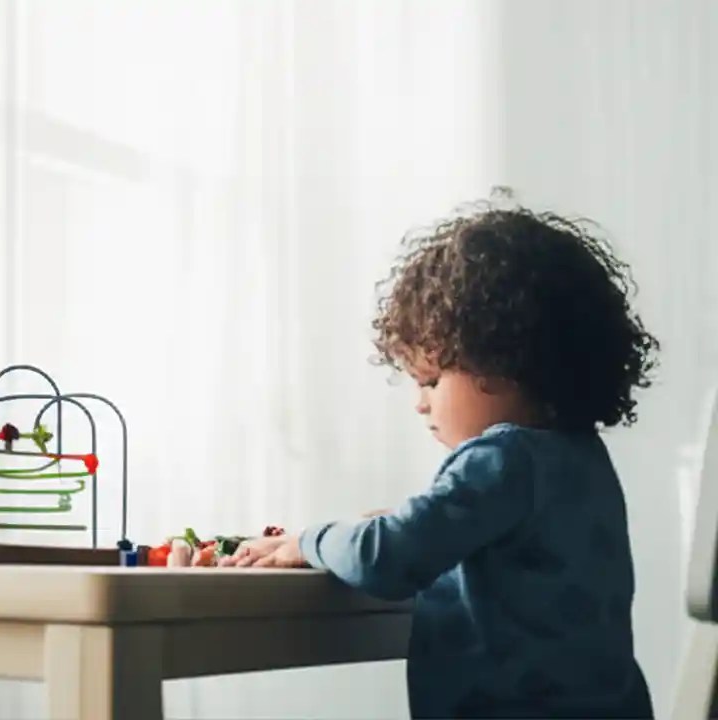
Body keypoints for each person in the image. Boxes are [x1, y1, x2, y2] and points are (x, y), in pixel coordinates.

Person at [222, 194, 660, 719]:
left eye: (431, 379)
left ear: (504, 361)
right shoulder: (583, 460)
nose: (420, 402)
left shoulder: (503, 456)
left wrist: (309, 540)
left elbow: (384, 559)